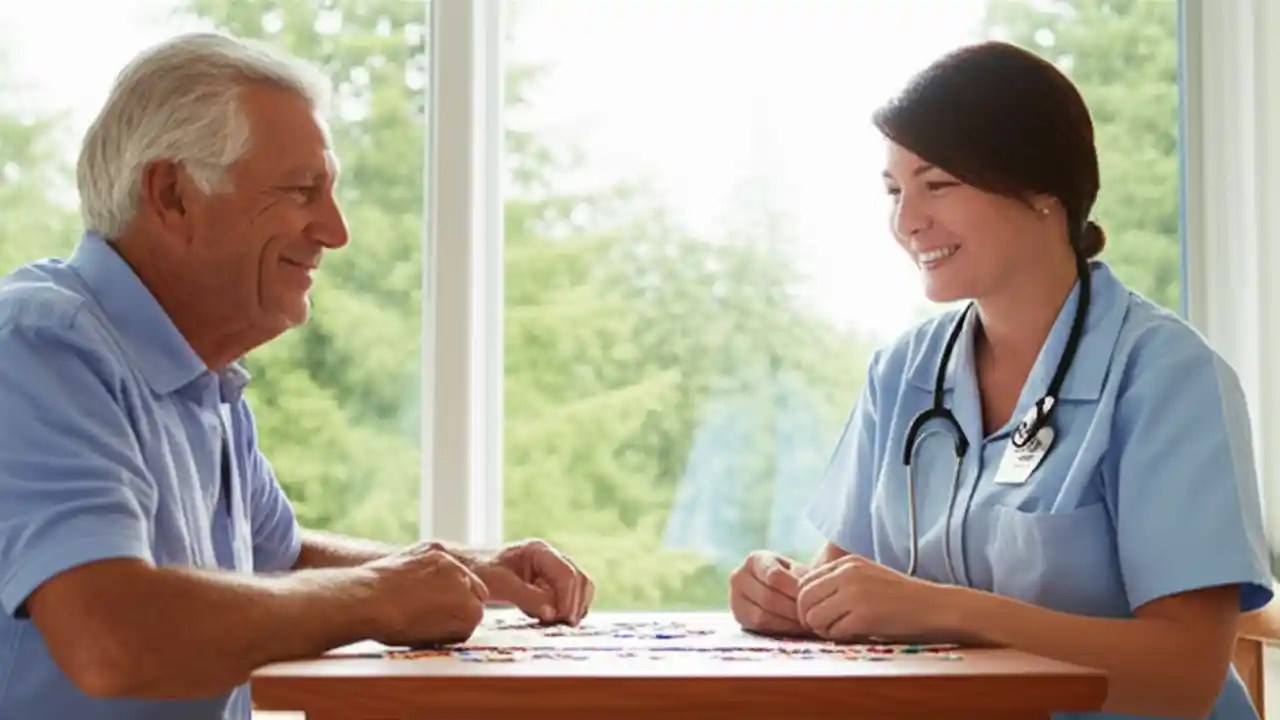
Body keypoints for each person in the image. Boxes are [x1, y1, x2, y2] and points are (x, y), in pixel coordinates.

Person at [0, 32, 594, 719]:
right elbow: (111, 637)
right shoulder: (40, 345)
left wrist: (465, 569)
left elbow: (276, 559)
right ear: (173, 195)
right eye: (302, 191)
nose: (336, 231)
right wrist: (380, 597)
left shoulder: (206, 376)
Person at [728, 41, 1271, 719]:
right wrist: (783, 598)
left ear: (1043, 188)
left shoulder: (1167, 378)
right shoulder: (902, 375)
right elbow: (844, 588)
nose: (906, 221)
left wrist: (945, 610)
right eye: (894, 190)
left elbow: (1183, 678)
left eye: (937, 185)